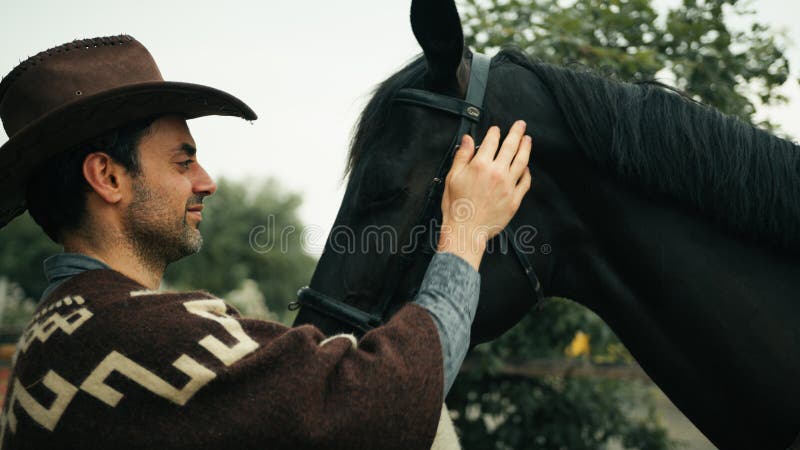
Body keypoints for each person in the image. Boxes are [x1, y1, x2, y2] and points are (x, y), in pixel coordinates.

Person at [0, 36, 532, 450]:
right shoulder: (135, 336)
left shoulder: (56, 336)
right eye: (183, 161)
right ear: (107, 177)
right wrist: (465, 233)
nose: (206, 181)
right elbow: (386, 402)